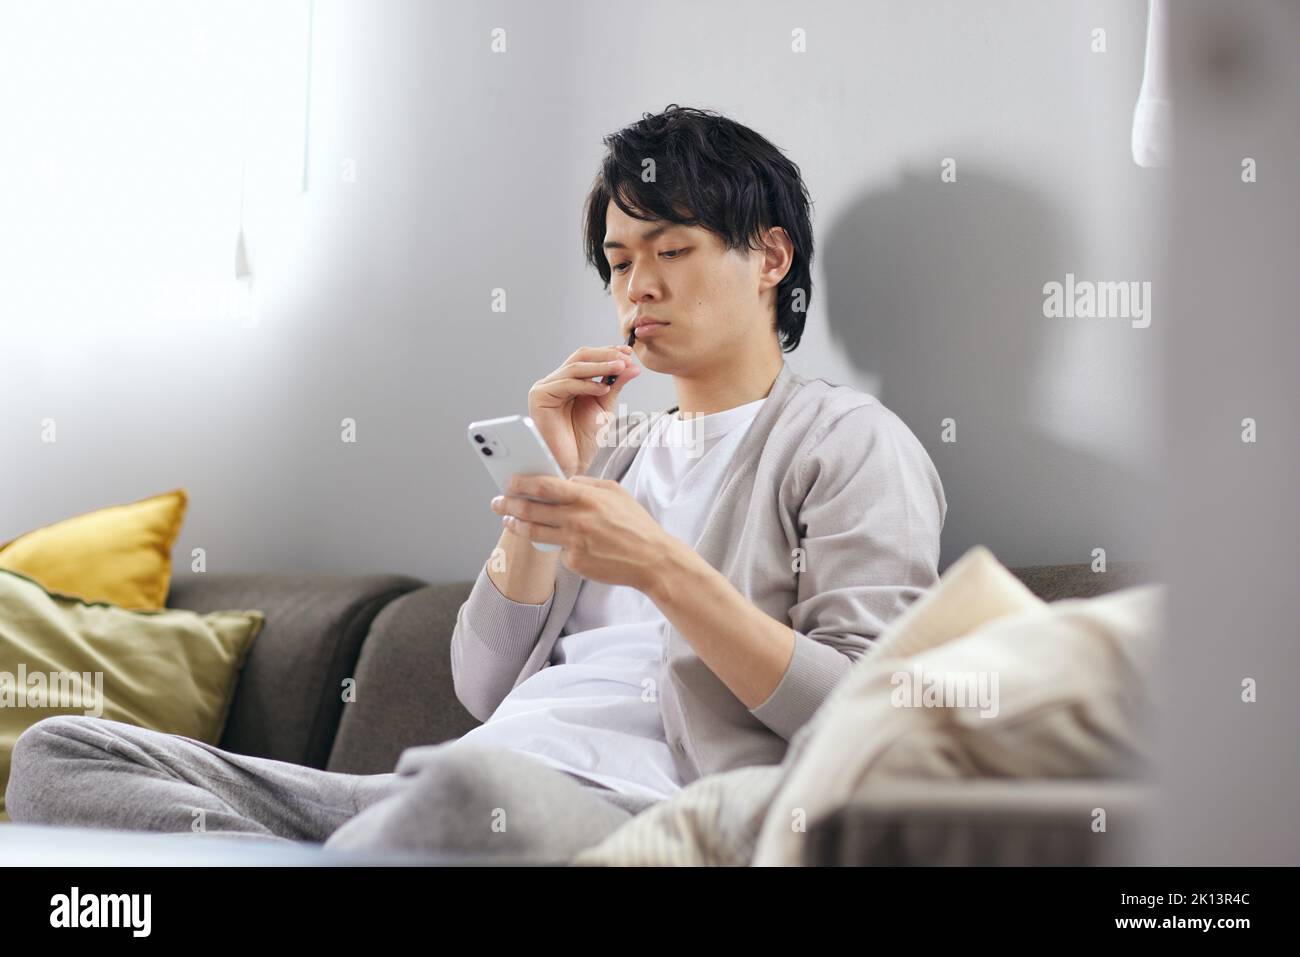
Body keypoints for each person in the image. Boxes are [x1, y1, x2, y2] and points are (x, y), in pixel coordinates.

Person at [5, 104, 945, 862]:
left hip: (633, 811)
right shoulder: (616, 452)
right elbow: (484, 688)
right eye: (620, 263)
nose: (637, 287)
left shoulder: (850, 442)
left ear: (770, 259)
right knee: (62, 755)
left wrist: (662, 566)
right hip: (451, 784)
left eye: (672, 249)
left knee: (464, 799)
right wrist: (540, 495)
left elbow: (867, 714)